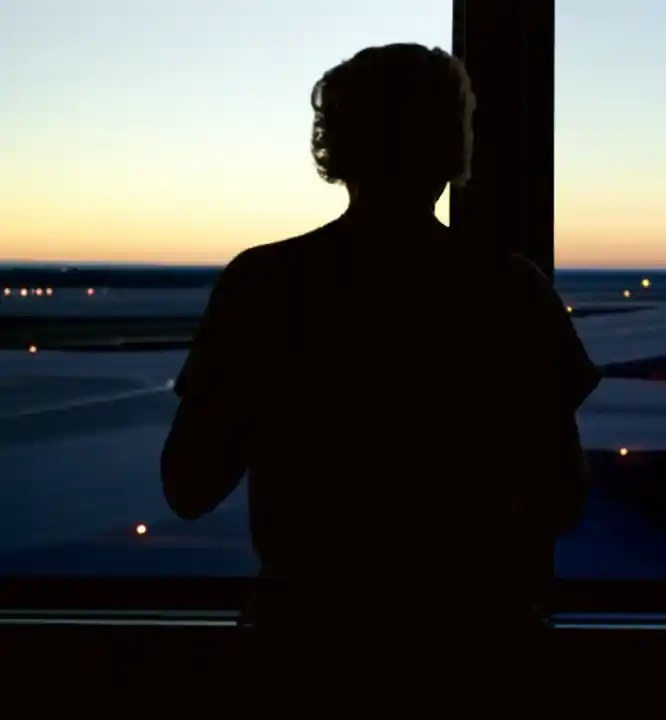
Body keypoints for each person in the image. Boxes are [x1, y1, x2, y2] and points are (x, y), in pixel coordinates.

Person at [159, 44, 599, 646]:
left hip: (306, 632)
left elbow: (189, 486)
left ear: (334, 145)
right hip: (474, 631)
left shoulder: (264, 285)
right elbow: (561, 496)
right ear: (454, 147)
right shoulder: (512, 291)